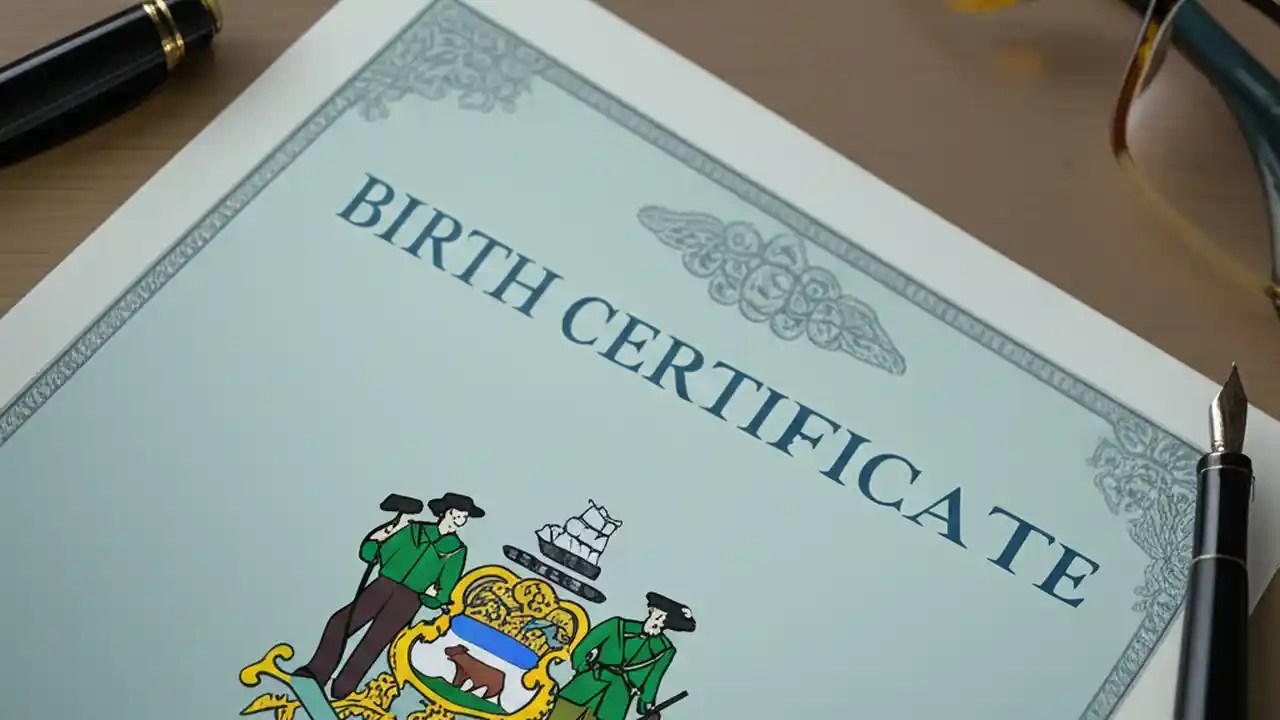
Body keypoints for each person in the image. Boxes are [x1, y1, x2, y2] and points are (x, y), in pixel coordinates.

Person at [293, 492, 485, 699]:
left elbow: (446, 586)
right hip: (383, 585)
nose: (461, 521)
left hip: (409, 600)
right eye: (459, 515)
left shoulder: (456, 550)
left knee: (374, 642)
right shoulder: (415, 530)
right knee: (340, 622)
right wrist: (383, 534)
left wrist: (431, 596)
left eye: (465, 517)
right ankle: (316, 673)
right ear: (447, 512)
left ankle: (343, 688)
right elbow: (374, 553)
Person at [548, 592, 695, 720]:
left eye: (666, 622)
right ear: (652, 610)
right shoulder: (616, 625)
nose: (660, 624)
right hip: (581, 690)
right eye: (660, 617)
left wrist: (647, 708)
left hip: (615, 705)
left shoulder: (666, 650)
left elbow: (652, 682)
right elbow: (583, 648)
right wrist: (585, 671)